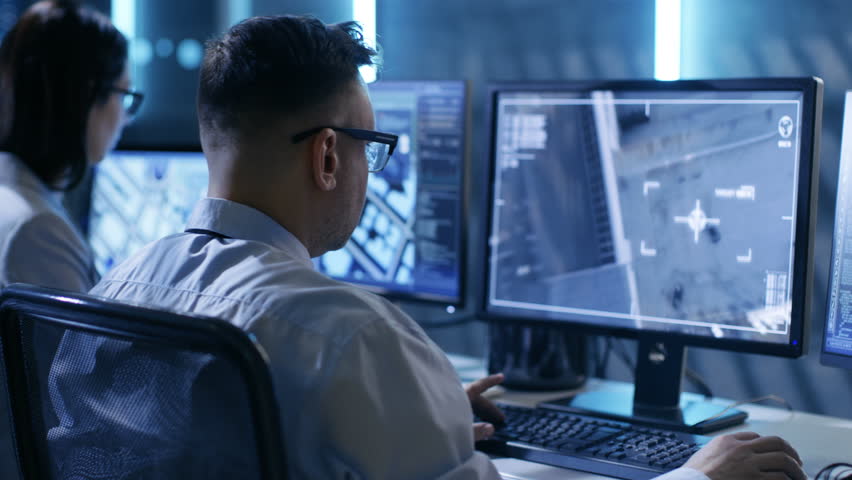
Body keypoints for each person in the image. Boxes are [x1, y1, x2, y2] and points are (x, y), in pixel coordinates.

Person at [55, 14, 805, 479]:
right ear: (325, 156)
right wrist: (699, 478)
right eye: (368, 145)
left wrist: (422, 412)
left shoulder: (110, 294)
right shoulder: (345, 334)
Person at [0, 0, 143, 292]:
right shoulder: (37, 230)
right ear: (86, 95)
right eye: (124, 94)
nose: (125, 118)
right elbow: (83, 340)